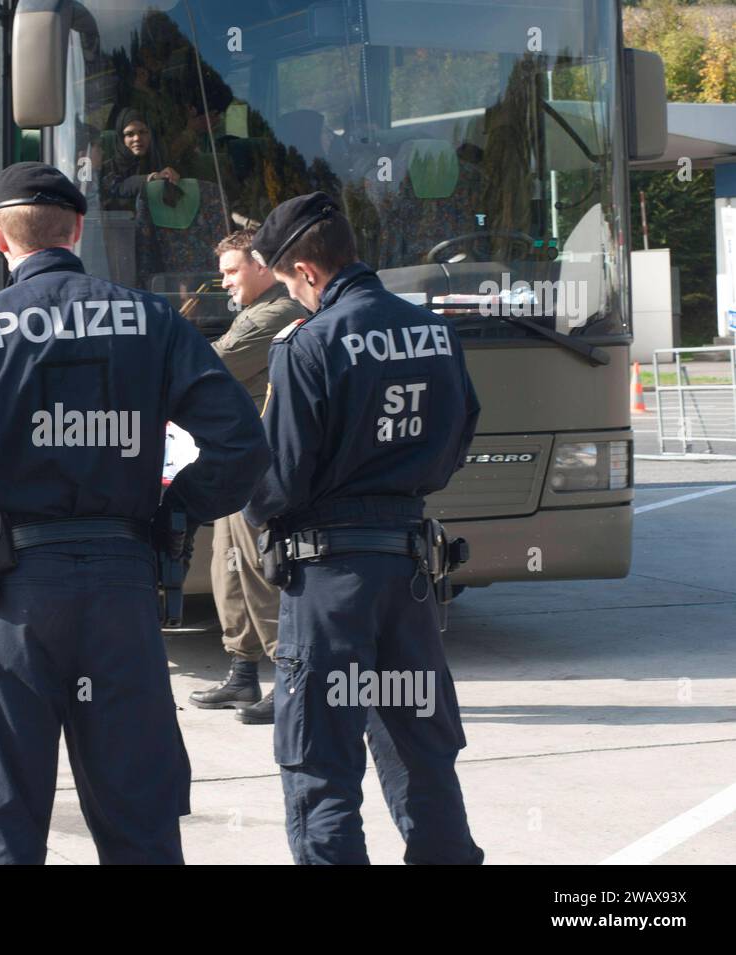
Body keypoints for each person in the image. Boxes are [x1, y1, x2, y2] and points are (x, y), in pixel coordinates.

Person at [0, 162, 270, 865]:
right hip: (123, 588)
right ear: (78, 229)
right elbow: (241, 443)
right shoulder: (151, 320)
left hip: (13, 589)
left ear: (0, 237)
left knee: (3, 812)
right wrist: (174, 516)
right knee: (139, 812)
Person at [245, 193, 484, 865]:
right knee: (421, 747)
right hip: (408, 580)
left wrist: (245, 503)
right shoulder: (434, 330)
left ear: (308, 272)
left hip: (330, 587)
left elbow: (280, 478)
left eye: (290, 284)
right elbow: (461, 430)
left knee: (321, 764)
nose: (294, 297)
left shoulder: (308, 344)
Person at [188, 229, 310, 725]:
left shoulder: (276, 312)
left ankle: (290, 681)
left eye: (232, 271)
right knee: (229, 567)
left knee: (261, 572)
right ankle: (242, 669)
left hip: (261, 464)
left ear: (263, 266)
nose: (224, 283)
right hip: (237, 462)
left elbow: (213, 362)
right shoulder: (254, 313)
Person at [100, 108, 179, 212]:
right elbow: (120, 188)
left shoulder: (162, 163)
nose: (137, 138)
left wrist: (169, 179)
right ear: (120, 138)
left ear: (150, 135)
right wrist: (152, 178)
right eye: (129, 134)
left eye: (142, 132)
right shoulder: (107, 169)